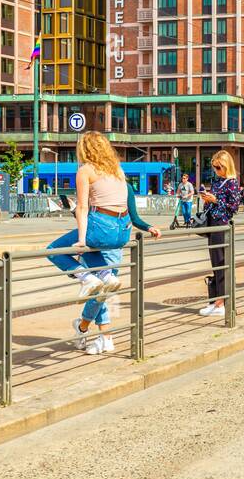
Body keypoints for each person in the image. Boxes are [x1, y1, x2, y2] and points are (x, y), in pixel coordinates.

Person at [46, 132, 161, 354]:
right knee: (101, 279)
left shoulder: (86, 171)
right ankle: (89, 319)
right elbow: (127, 210)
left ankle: (87, 280)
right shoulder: (117, 171)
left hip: (102, 228)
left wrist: (81, 239)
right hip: (122, 232)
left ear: (84, 150)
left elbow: (82, 208)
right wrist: (147, 227)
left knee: (54, 250)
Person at [197, 151, 242, 317]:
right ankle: (215, 301)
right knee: (216, 263)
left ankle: (220, 303)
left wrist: (215, 200)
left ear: (226, 166)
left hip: (222, 225)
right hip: (213, 224)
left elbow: (234, 207)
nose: (216, 170)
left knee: (221, 263)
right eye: (214, 167)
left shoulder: (232, 183)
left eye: (218, 167)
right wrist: (207, 199)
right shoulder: (217, 182)